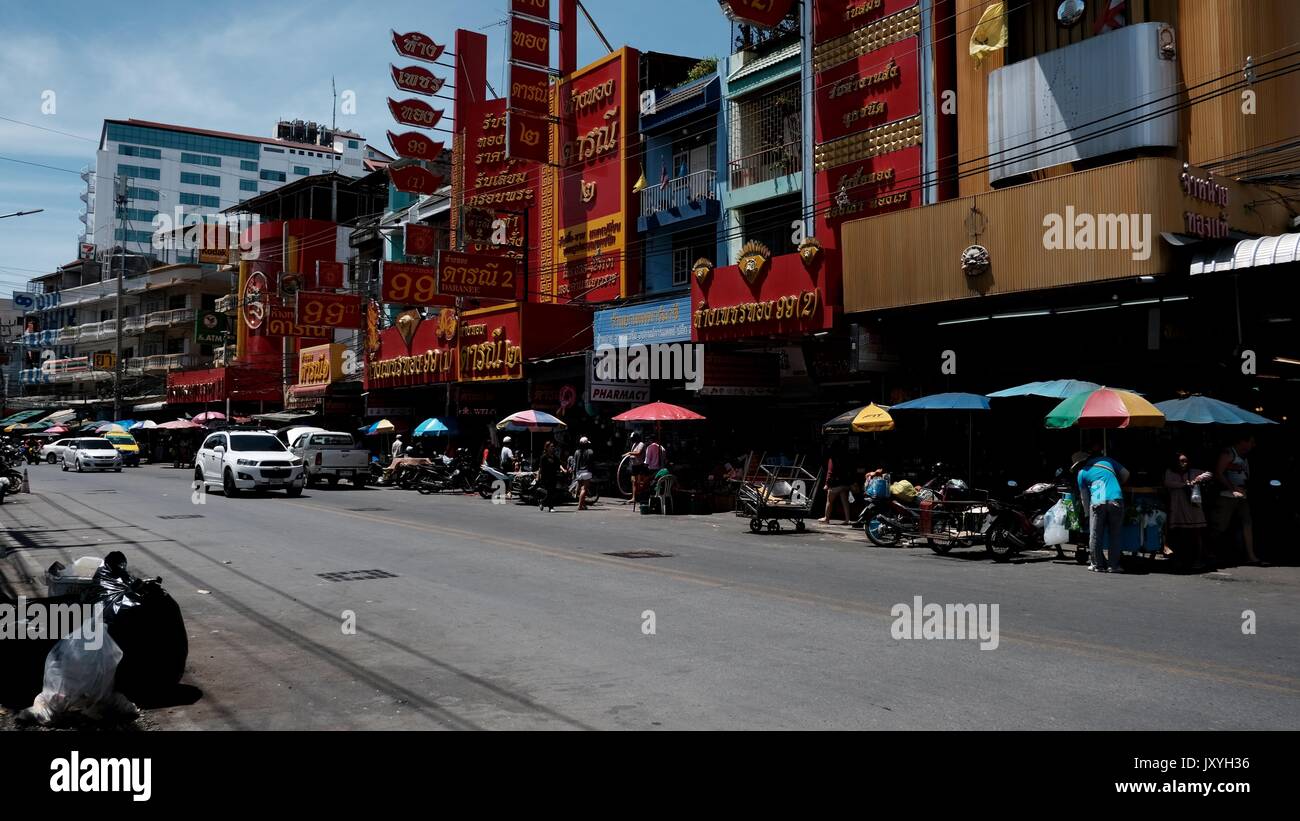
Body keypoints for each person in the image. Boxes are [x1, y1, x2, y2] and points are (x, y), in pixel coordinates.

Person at [1076, 443, 1130, 573]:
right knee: (1115, 535)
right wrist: (1116, 483)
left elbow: (1084, 498)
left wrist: (1086, 515)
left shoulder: (1081, 473)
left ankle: (1097, 565)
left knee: (1095, 535)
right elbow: (1126, 474)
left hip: (1098, 501)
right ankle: (1114, 566)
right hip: (1116, 498)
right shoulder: (1107, 461)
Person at [1213, 434, 1263, 565]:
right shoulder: (1229, 453)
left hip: (1242, 493)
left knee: (1247, 523)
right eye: (1251, 441)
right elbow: (1219, 472)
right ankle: (1209, 552)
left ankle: (1250, 555)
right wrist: (1232, 488)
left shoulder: (1243, 455)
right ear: (1242, 441)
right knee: (1220, 525)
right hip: (1228, 495)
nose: (1253, 445)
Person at [1164, 452, 1214, 571]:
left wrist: (1199, 478)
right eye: (1181, 461)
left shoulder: (1194, 472)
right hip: (1177, 508)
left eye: (1185, 461)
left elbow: (1210, 474)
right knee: (1179, 534)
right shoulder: (1170, 472)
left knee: (1196, 533)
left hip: (1193, 509)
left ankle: (1197, 559)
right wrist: (1184, 485)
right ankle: (1178, 559)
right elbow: (1167, 483)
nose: (1183, 463)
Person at [819, 447, 852, 525]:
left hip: (836, 484)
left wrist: (827, 484)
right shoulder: (845, 458)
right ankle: (847, 519)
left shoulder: (832, 459)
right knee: (845, 501)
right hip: (845, 483)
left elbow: (830, 472)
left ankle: (826, 518)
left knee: (829, 500)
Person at [571, 436, 595, 511]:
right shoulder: (590, 451)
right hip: (586, 472)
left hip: (578, 472)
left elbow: (574, 463)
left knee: (580, 489)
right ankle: (580, 505)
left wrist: (574, 473)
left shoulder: (576, 452)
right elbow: (592, 463)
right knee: (584, 489)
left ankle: (583, 504)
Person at [537, 440, 561, 512]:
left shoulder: (555, 457)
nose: (553, 448)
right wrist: (538, 476)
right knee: (550, 492)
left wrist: (562, 470)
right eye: (551, 447)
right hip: (546, 477)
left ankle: (542, 502)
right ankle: (551, 507)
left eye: (553, 447)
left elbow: (558, 465)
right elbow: (540, 468)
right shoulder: (543, 457)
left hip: (553, 476)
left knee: (552, 492)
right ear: (547, 448)